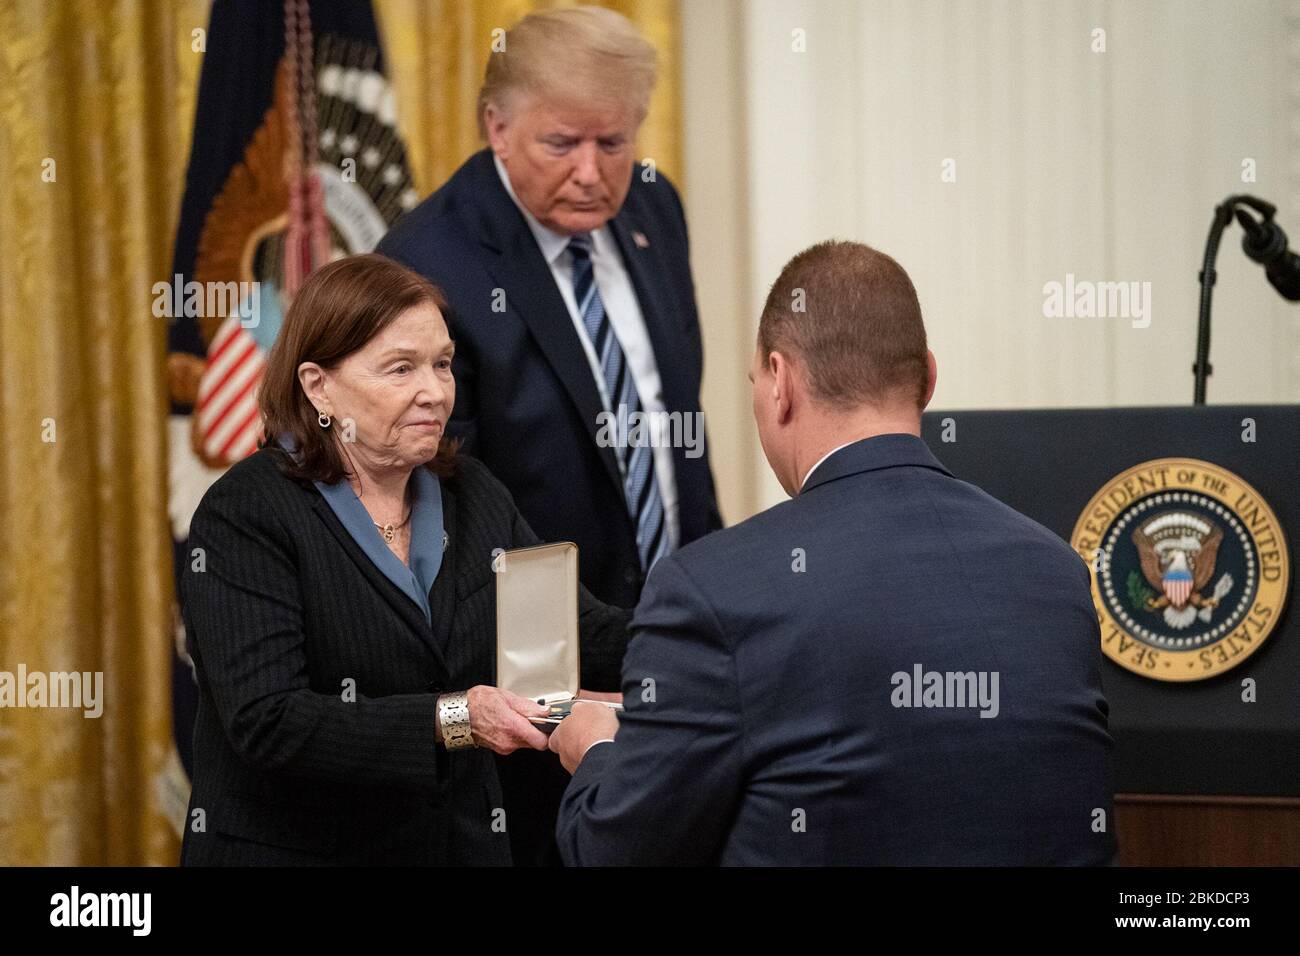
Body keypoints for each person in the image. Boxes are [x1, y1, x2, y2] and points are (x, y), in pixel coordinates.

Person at [549, 240, 1117, 865]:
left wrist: (598, 750)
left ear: (780, 382)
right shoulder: (1057, 572)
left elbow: (616, 855)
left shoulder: (710, 590)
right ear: (928, 377)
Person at [376, 5, 721, 864]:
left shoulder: (653, 207)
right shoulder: (431, 260)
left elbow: (676, 425)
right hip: (531, 685)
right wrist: (554, 681)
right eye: (561, 143)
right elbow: (436, 505)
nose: (592, 173)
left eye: (615, 142)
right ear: (497, 126)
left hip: (679, 642)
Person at [180, 253, 628, 866]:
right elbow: (268, 719)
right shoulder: (246, 513)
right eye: (401, 369)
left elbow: (576, 632)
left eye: (442, 365)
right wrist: (456, 720)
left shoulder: (472, 492)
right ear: (319, 387)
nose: (435, 392)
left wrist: (716, 632)